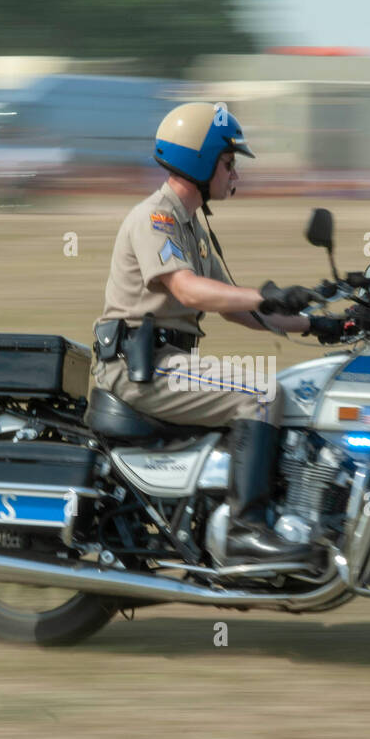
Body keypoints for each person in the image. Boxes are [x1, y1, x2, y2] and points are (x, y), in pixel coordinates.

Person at [91, 102, 349, 563]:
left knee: (283, 391)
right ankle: (245, 529)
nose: (235, 174)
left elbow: (239, 309)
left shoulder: (192, 225)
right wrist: (265, 295)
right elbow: (189, 291)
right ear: (200, 162)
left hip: (163, 362)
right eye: (229, 164)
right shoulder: (158, 218)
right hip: (140, 369)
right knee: (262, 393)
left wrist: (322, 323)